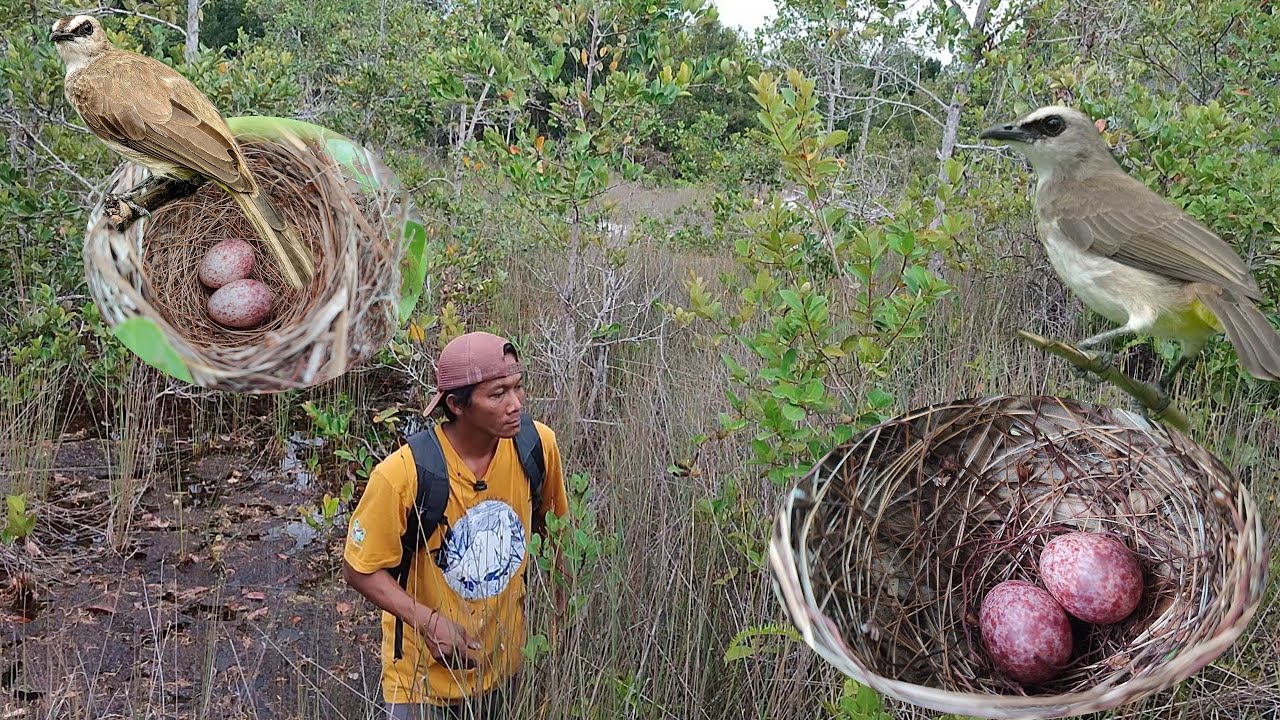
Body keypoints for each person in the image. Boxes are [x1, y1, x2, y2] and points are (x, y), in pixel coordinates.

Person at [343, 331, 568, 719]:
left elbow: (557, 536)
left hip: (507, 665)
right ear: (456, 405)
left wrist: (559, 619)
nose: (515, 404)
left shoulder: (536, 445)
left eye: (518, 388)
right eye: (497, 395)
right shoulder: (403, 475)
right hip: (419, 681)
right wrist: (428, 621)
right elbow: (359, 569)